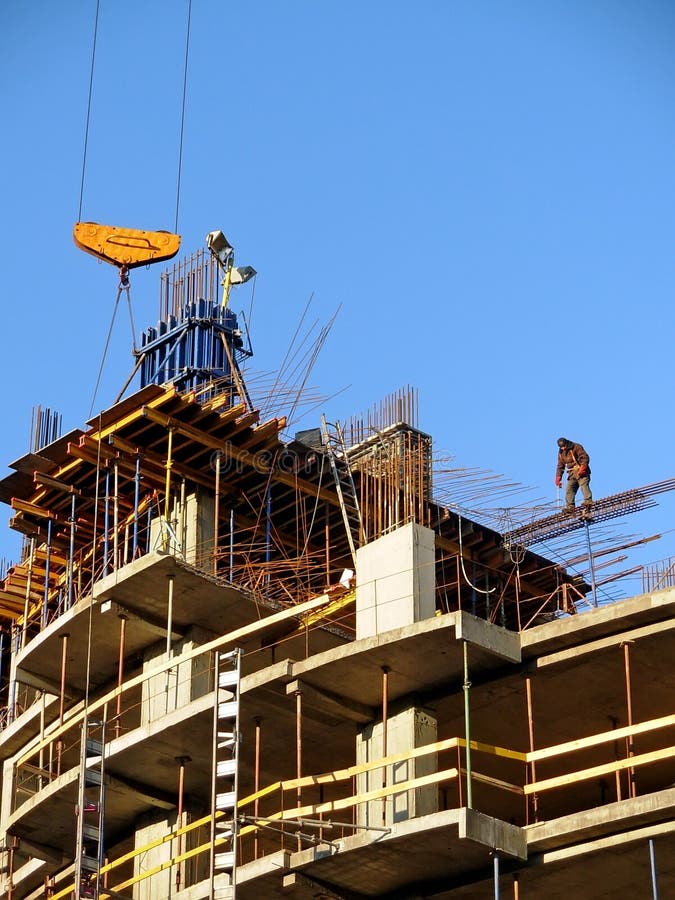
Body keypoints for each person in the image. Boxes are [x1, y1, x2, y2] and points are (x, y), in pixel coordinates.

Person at [555, 437, 592, 511]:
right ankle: (570, 507)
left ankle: (588, 501)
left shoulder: (576, 447)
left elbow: (585, 457)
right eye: (561, 447)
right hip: (571, 473)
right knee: (569, 489)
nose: (563, 448)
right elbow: (560, 466)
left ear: (567, 444)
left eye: (564, 446)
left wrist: (583, 467)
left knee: (583, 485)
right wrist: (558, 477)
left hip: (581, 471)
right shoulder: (561, 453)